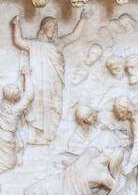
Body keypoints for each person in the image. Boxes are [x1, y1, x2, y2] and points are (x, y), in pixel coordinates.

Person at [9, 8, 89, 144]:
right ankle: (36, 134)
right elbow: (18, 41)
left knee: (55, 107)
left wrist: (83, 19)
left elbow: (74, 36)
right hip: (39, 82)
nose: (53, 29)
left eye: (55, 27)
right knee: (38, 105)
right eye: (51, 26)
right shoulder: (35, 44)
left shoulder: (58, 44)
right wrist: (16, 24)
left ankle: (49, 135)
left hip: (55, 83)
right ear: (44, 28)